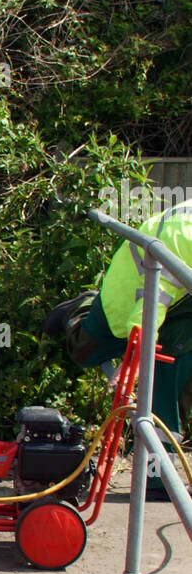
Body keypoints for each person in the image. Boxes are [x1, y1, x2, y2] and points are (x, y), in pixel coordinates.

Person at [54, 198, 192, 495]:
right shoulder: (184, 236)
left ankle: (158, 480)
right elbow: (153, 300)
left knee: (173, 367)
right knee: (85, 351)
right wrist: (139, 358)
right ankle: (79, 310)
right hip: (128, 297)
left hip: (179, 313)